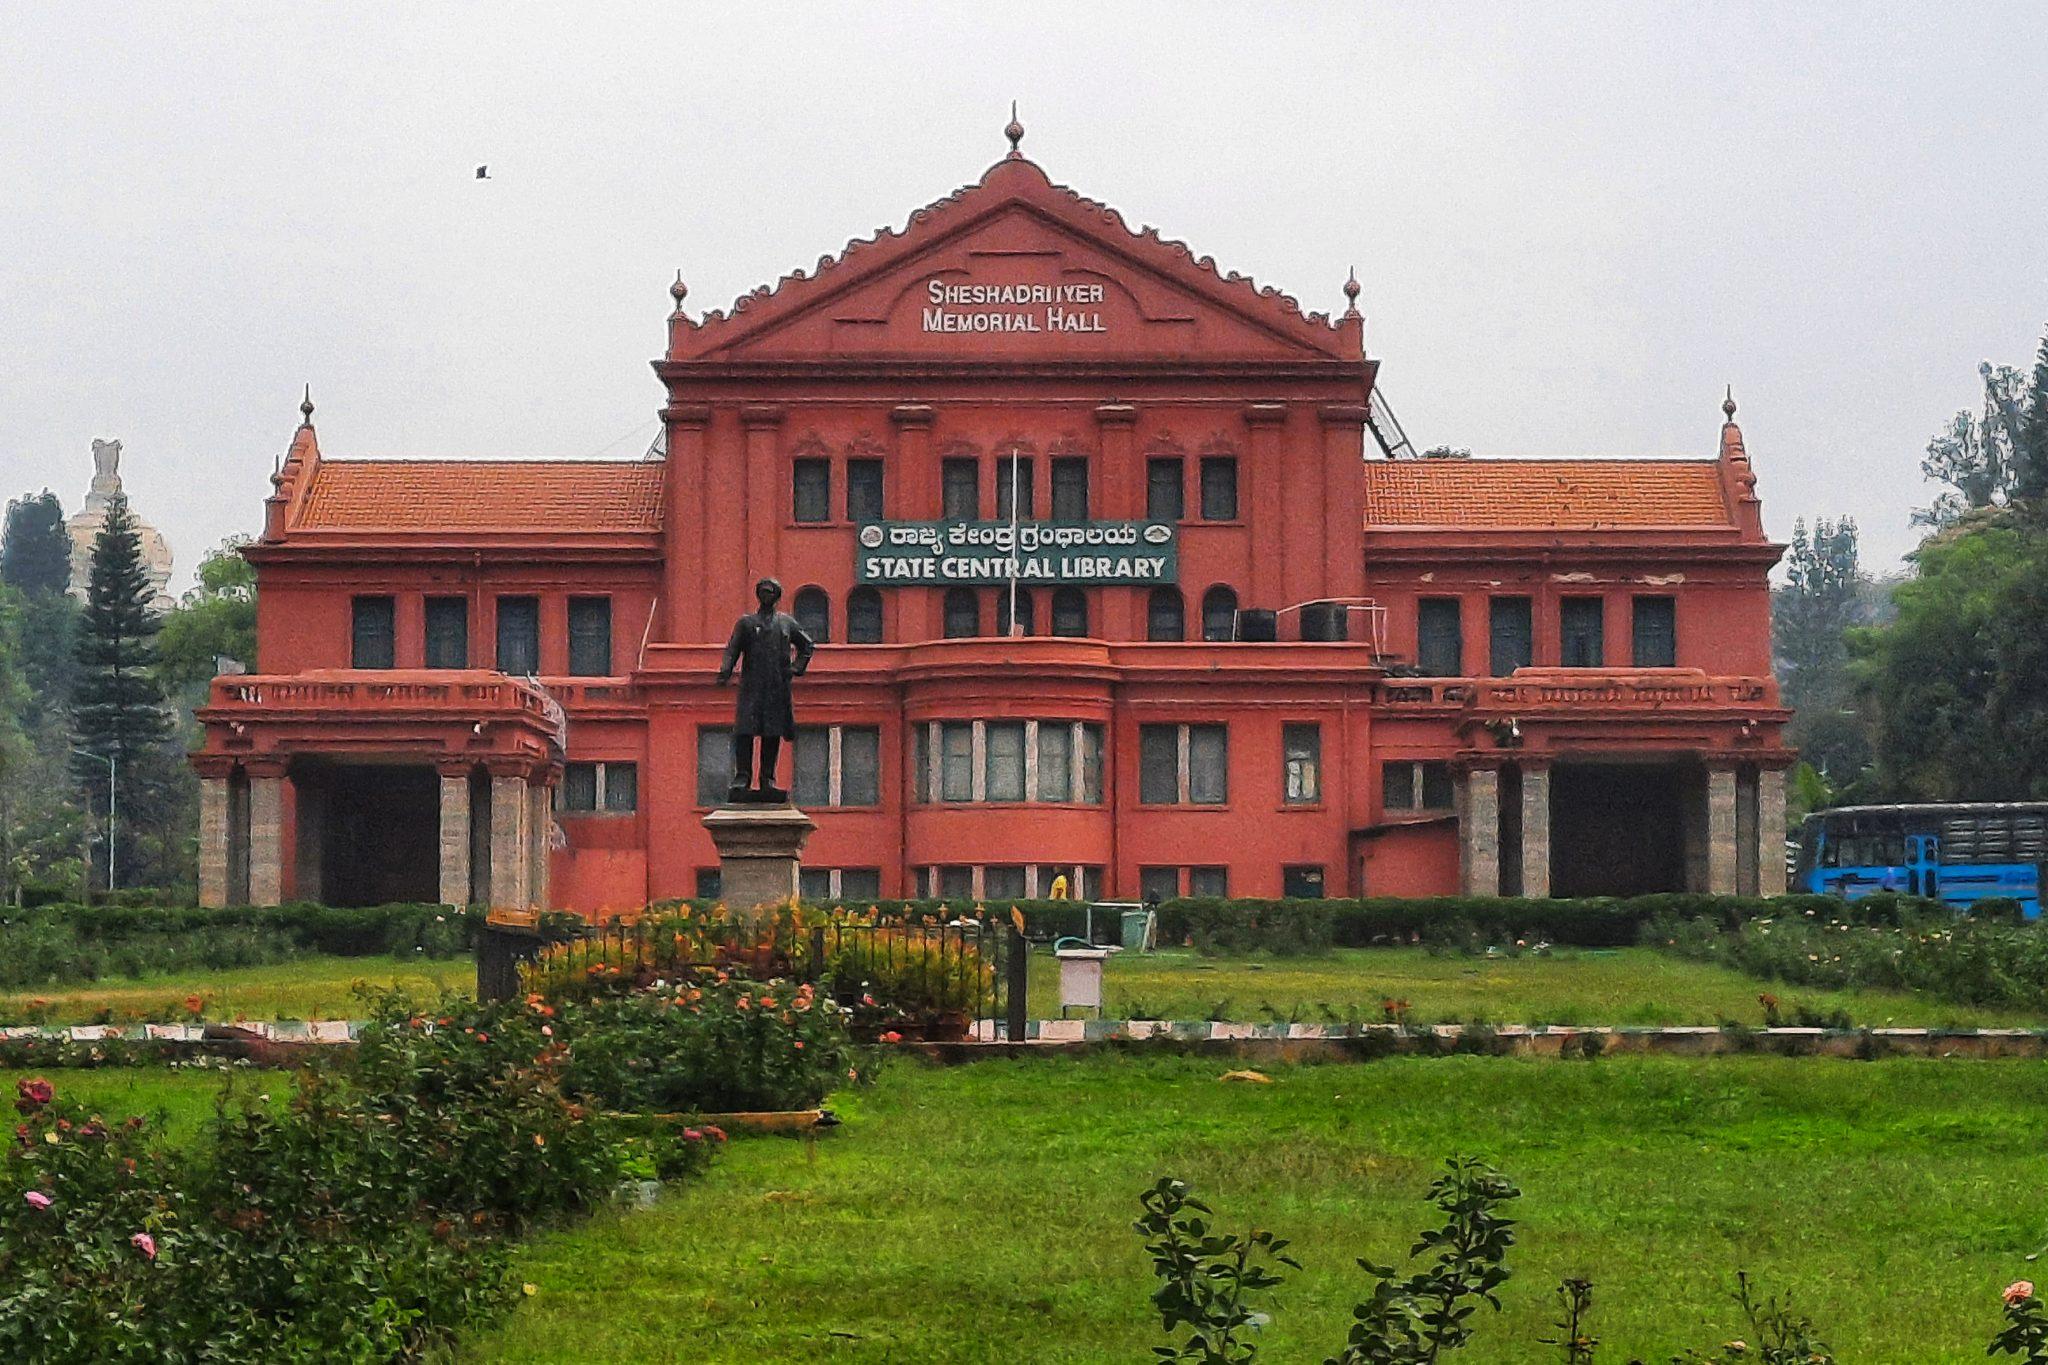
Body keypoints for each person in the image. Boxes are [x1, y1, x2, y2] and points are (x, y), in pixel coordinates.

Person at [715, 577, 814, 802]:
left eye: (770, 592)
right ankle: (742, 778)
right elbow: (733, 649)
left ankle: (767, 779)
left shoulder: (786, 623)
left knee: (772, 734)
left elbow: (807, 645)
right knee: (745, 732)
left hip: (776, 687)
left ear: (777, 596)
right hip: (751, 686)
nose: (766, 595)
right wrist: (725, 671)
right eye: (762, 591)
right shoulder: (746, 623)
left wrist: (796, 668)